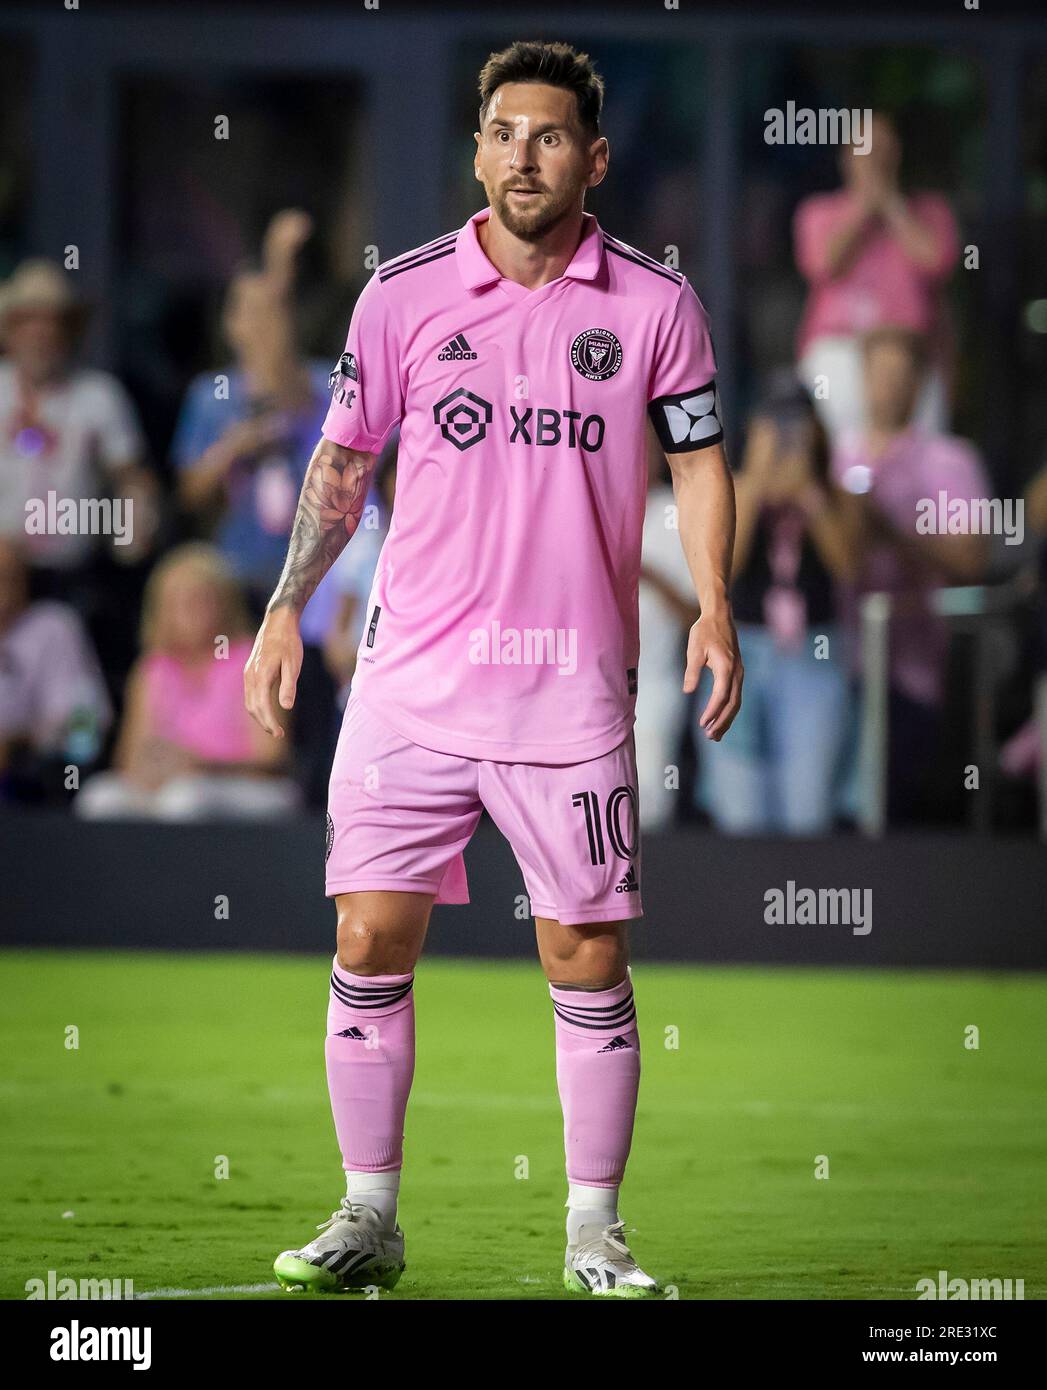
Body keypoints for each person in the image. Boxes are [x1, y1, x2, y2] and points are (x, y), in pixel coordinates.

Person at [244, 40, 742, 1298]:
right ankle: (369, 1216)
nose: (527, 154)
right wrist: (284, 605)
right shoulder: (401, 297)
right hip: (411, 680)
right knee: (369, 930)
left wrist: (718, 604)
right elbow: (345, 461)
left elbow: (699, 460)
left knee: (584, 954)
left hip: (570, 690)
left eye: (552, 134)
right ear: (477, 149)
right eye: (505, 132)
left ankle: (592, 1232)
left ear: (596, 157)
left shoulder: (654, 304)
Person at [832, 326, 989, 822]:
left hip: (913, 673)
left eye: (901, 376)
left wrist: (894, 533)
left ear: (921, 383)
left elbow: (971, 561)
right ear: (861, 378)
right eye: (879, 374)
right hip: (833, 667)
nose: (889, 387)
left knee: (900, 818)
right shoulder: (835, 456)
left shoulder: (951, 461)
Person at [698, 376, 860, 834]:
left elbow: (850, 567)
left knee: (806, 810)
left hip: (814, 654)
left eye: (796, 424)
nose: (787, 435)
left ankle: (799, 897)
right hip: (741, 651)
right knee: (739, 812)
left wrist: (809, 491)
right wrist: (756, 475)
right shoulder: (731, 487)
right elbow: (723, 562)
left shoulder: (836, 492)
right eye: (777, 424)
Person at [173, 210, 332, 614]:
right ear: (231, 323)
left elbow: (295, 394)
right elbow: (189, 493)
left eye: (276, 309)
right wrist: (232, 448)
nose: (266, 320)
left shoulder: (322, 381)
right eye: (254, 310)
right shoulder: (211, 395)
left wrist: (280, 270)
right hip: (235, 572)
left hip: (315, 575)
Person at [76, 543, 299, 821]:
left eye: (198, 600)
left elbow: (273, 759)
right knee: (99, 797)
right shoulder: (151, 670)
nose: (187, 612)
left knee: (183, 799)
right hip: (167, 787)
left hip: (245, 786)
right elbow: (128, 759)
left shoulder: (253, 658)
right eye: (176, 602)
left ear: (225, 603)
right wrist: (154, 770)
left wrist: (200, 765)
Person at [0, 258, 160, 604]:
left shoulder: (99, 395)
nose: (41, 333)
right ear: (10, 331)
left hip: (71, 578)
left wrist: (134, 525)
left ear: (69, 332)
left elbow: (131, 476)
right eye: (29, 321)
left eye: (52, 322)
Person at [794, 112, 959, 442]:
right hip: (838, 351)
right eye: (867, 148)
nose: (875, 158)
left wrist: (892, 206)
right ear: (847, 156)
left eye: (884, 149)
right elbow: (823, 264)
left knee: (918, 456)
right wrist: (865, 206)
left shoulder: (930, 211)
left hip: (910, 357)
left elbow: (937, 263)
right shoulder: (819, 211)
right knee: (844, 452)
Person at [0, 537, 112, 803]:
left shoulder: (55, 627)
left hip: (31, 778)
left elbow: (84, 726)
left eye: (6, 576)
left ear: (24, 580)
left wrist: (17, 743)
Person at [635, 423, 699, 830]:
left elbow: (696, 615)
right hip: (581, 681)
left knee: (650, 808)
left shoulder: (675, 512)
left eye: (650, 447)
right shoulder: (586, 504)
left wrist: (643, 572)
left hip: (655, 682)